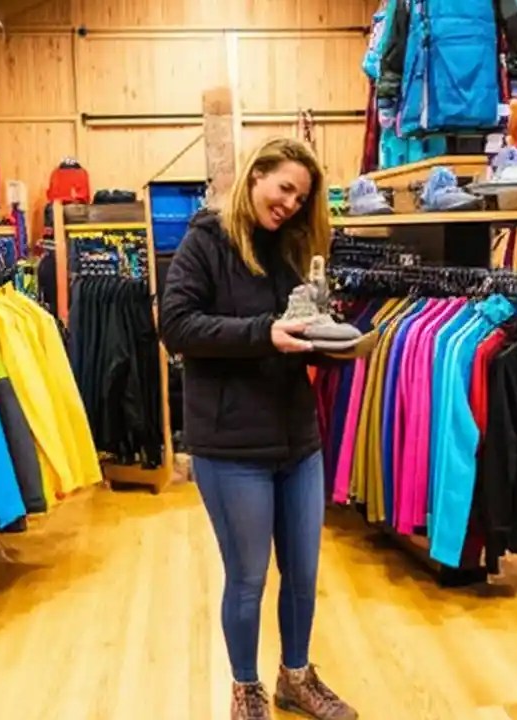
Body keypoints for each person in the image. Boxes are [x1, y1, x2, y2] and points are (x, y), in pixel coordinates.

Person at [159, 137, 358, 720]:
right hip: (231, 446)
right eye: (285, 189)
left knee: (302, 573)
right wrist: (261, 333)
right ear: (255, 177)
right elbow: (176, 325)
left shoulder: (289, 248)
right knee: (247, 578)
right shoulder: (206, 241)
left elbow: (292, 333)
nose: (292, 204)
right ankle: (246, 688)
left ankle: (296, 677)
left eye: (302, 197)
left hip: (298, 440)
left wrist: (326, 345)